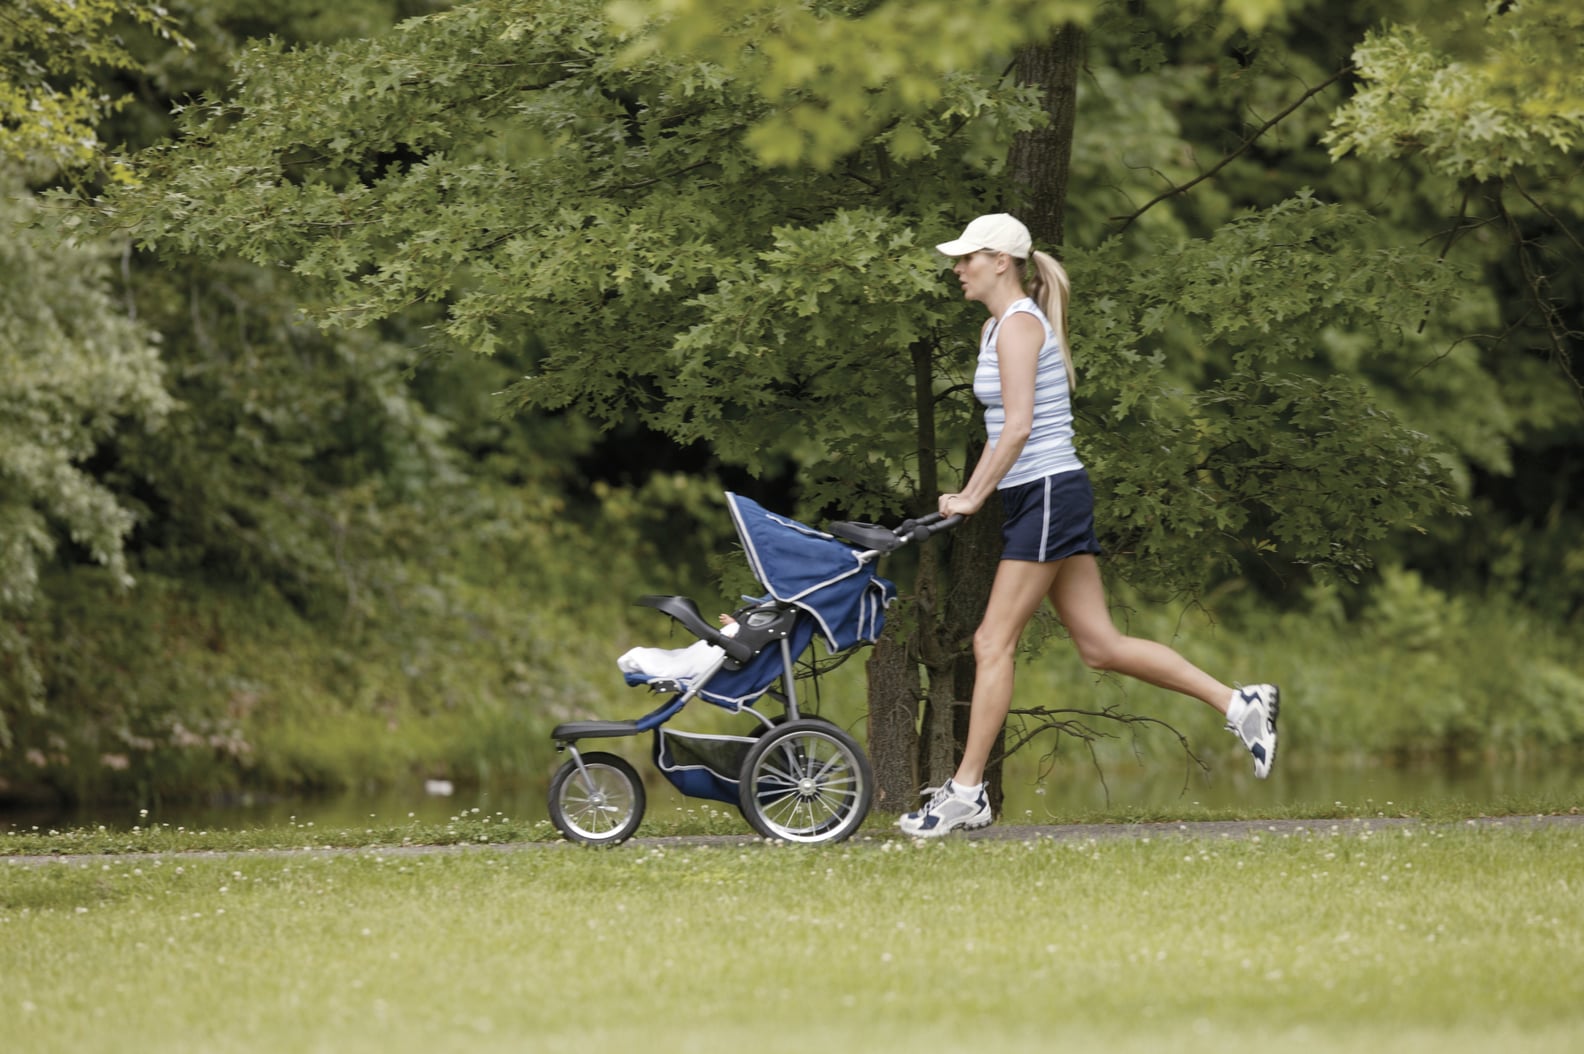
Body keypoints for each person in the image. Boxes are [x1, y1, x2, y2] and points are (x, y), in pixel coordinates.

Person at [899, 213, 1279, 838]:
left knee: (992, 643)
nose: (958, 267)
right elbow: (1011, 426)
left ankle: (967, 792)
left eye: (970, 257)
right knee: (1100, 646)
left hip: (1047, 493)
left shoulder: (1020, 325)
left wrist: (971, 496)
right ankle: (1240, 704)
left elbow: (1019, 425)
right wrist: (975, 493)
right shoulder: (996, 326)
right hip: (1045, 496)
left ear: (1003, 261)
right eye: (958, 258)